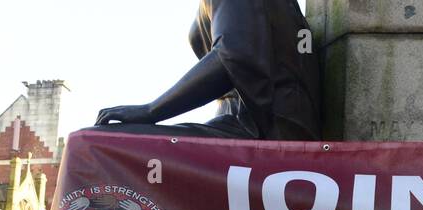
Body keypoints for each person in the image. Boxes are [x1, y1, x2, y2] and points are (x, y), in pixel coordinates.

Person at [93, 0, 321, 140]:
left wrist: (151, 111)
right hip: (248, 123)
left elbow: (235, 55)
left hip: (264, 131)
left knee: (101, 140)